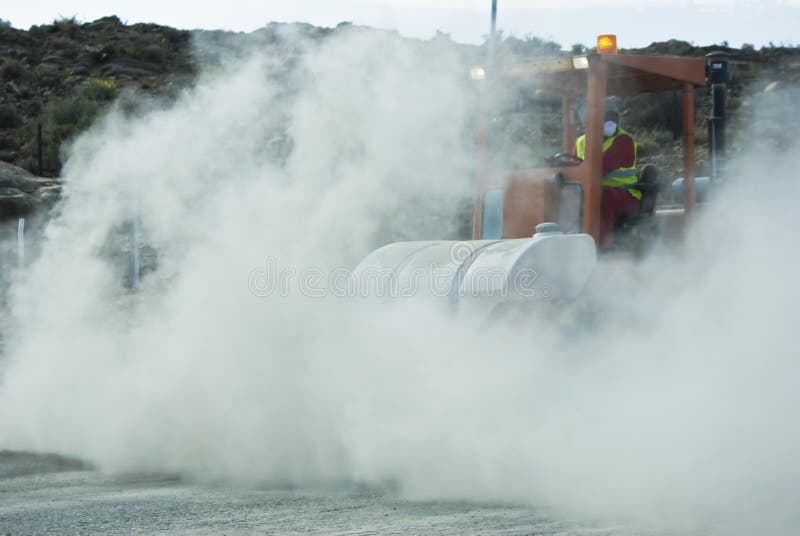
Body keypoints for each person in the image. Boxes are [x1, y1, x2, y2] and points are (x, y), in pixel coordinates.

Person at [575, 100, 640, 249]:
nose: (610, 123)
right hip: (590, 191)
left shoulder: (624, 141)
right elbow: (573, 166)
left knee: (602, 196)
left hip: (625, 195)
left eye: (611, 119)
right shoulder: (581, 141)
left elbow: (600, 167)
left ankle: (603, 248)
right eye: (606, 118)